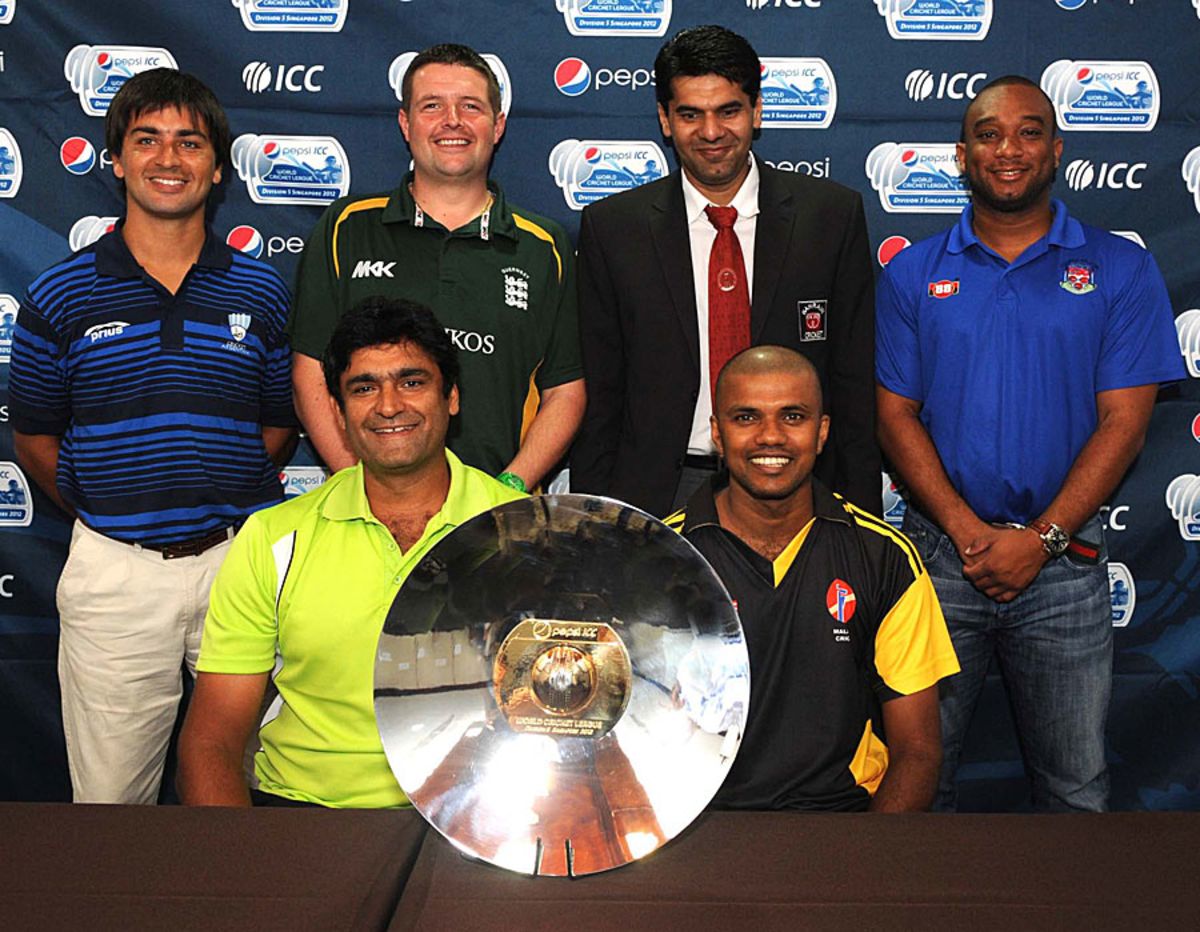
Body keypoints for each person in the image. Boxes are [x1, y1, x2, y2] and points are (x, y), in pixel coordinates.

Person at [875, 76, 1185, 811]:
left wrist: (1040, 539)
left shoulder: (1121, 267)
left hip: (1065, 572)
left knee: (1076, 786)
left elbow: (1126, 423)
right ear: (962, 154)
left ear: (1057, 148)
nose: (1007, 149)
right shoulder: (913, 272)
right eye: (988, 133)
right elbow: (894, 417)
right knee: (917, 779)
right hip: (939, 565)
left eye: (1028, 131)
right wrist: (968, 534)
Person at [8, 69, 296, 804]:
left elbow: (278, 423)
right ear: (117, 162)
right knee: (109, 805)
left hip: (239, 567)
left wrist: (217, 488)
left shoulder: (259, 291)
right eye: (148, 141)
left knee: (258, 786)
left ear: (218, 166)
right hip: (116, 573)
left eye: (188, 142)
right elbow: (34, 436)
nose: (169, 160)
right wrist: (108, 507)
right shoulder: (61, 293)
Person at [177, 297, 525, 807]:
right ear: (338, 412)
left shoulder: (525, 533)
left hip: (478, 821)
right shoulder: (273, 537)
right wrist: (246, 869)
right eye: (364, 388)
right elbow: (211, 740)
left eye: (412, 382)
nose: (388, 405)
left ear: (451, 397)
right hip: (303, 814)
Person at [571, 25, 879, 518]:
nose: (711, 132)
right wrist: (594, 521)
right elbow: (601, 396)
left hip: (796, 486)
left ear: (757, 111)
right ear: (665, 120)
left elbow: (853, 387)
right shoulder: (613, 229)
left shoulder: (831, 217)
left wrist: (864, 526)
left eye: (728, 111)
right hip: (657, 491)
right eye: (690, 114)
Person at [666, 346, 959, 811]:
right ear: (717, 435)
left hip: (841, 825)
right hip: (699, 827)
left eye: (793, 416)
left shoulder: (885, 558)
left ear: (821, 432)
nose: (771, 437)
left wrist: (865, 866)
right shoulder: (663, 556)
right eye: (746, 418)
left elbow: (918, 752)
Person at [289, 43, 584, 494]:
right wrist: (358, 485)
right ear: (406, 123)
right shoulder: (345, 228)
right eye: (432, 106)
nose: (453, 121)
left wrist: (505, 493)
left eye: (470, 106)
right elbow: (310, 371)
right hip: (367, 512)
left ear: (497, 125)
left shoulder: (544, 246)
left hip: (495, 523)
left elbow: (565, 391)